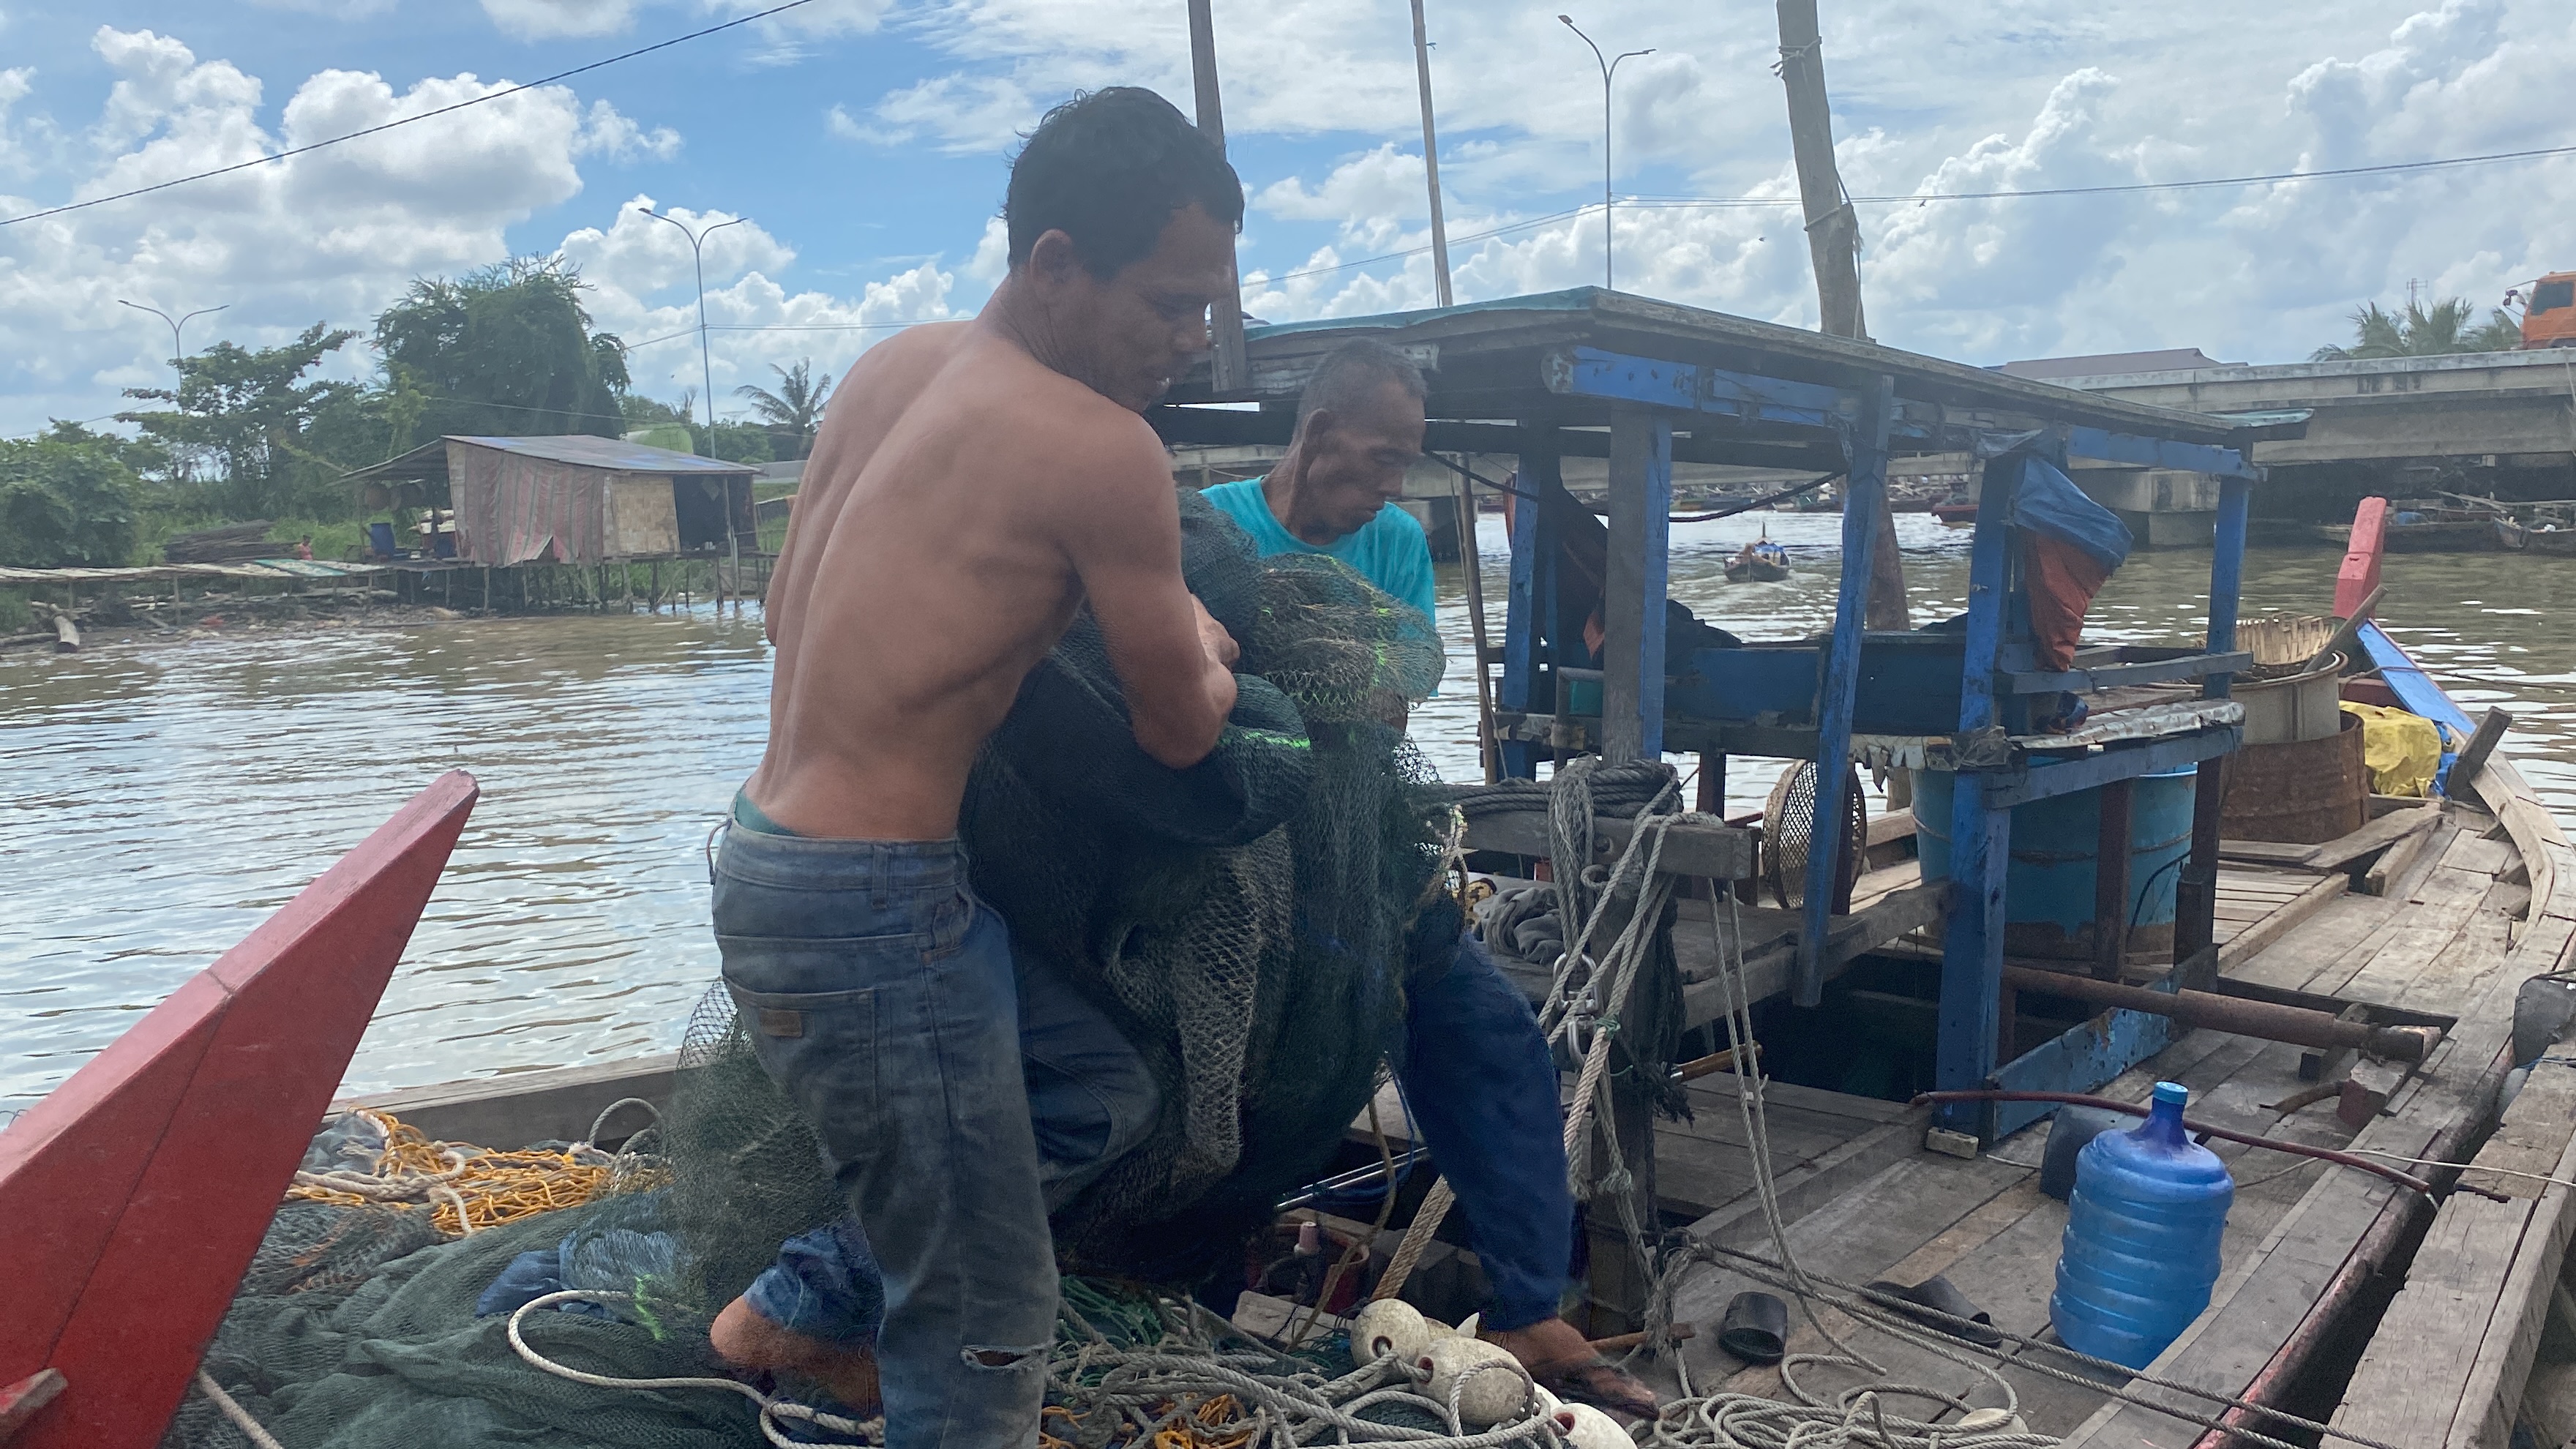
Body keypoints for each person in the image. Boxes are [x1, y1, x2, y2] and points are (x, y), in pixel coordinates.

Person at [708, 86, 1247, 1446]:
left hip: (772, 864)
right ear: (1057, 262)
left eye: (1208, 311)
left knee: (1096, 1092)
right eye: (1166, 306)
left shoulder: (897, 365)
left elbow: (788, 613)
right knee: (989, 1315)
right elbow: (1184, 725)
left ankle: (793, 1312)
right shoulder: (1100, 447)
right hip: (869, 904)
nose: (1190, 344)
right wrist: (1203, 635)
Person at [1198, 339, 1436, 625]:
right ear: (1319, 433)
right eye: (1384, 459)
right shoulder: (1206, 524)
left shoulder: (1398, 541)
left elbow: (1414, 661)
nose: (1395, 488)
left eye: (1406, 465)